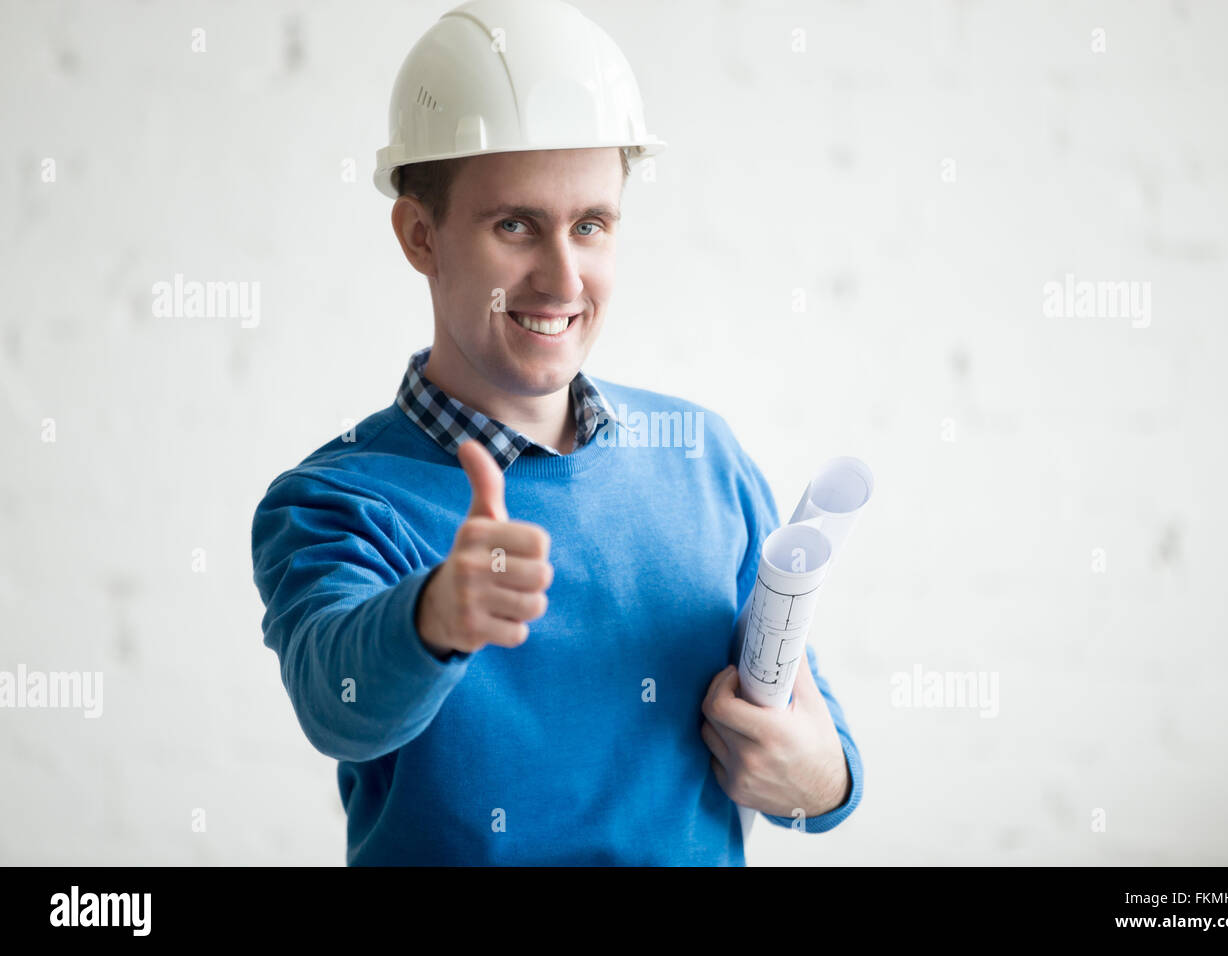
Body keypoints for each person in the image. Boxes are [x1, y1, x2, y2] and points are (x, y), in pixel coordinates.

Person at [250, 0, 863, 866]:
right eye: (515, 226)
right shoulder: (335, 501)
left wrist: (824, 779)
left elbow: (808, 738)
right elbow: (337, 703)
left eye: (591, 225)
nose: (563, 278)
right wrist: (435, 617)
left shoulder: (703, 456)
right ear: (420, 235)